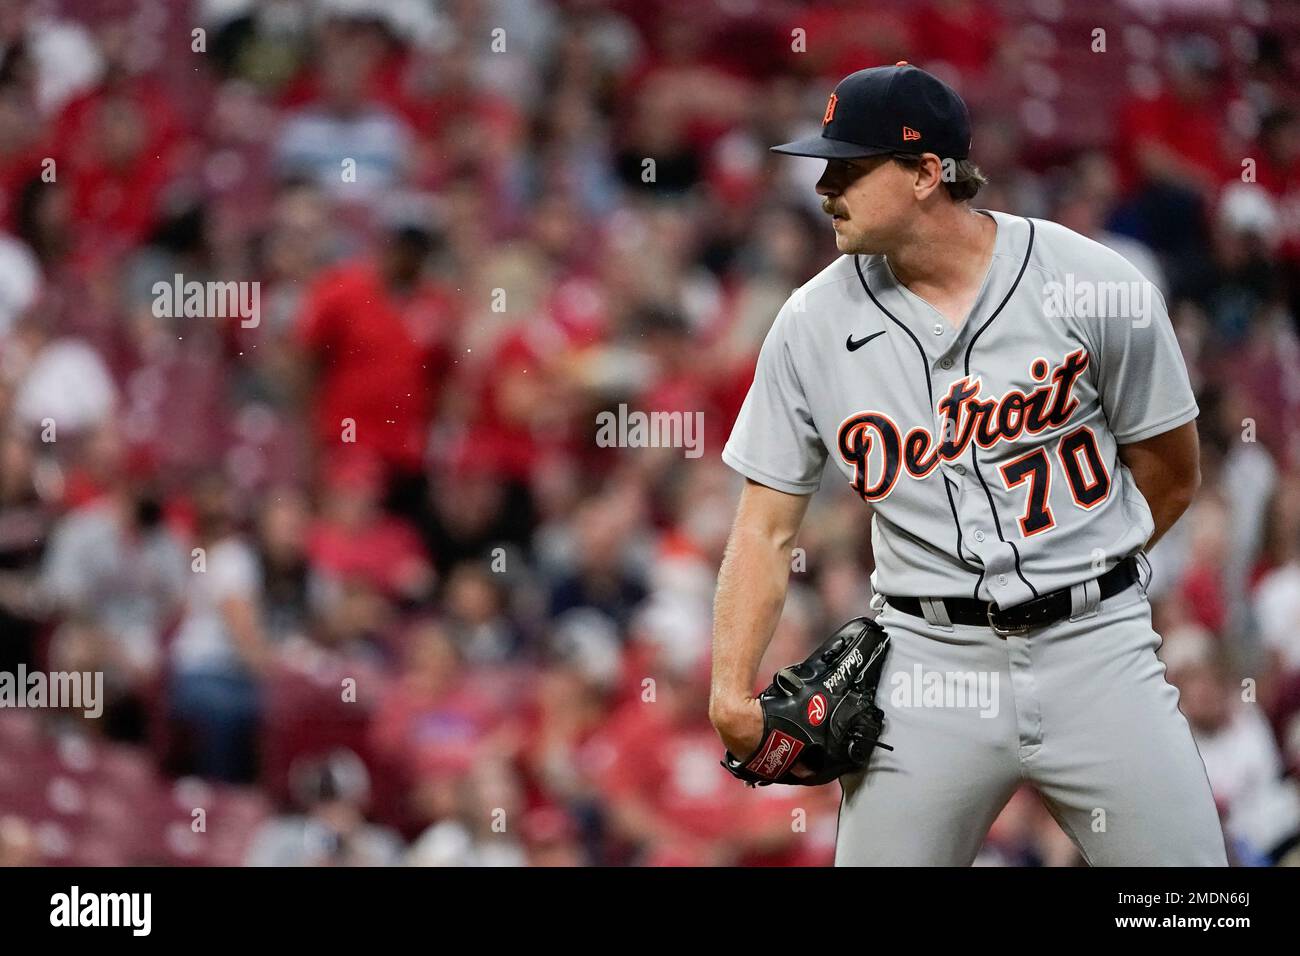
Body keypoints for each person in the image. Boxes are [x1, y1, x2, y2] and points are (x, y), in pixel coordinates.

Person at [708, 63, 1227, 865]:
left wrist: (1078, 575)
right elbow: (764, 529)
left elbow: (1172, 472)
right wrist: (729, 689)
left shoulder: (1092, 284)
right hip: (926, 665)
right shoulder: (809, 325)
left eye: (848, 166)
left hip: (1098, 654)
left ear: (925, 173)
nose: (824, 188)